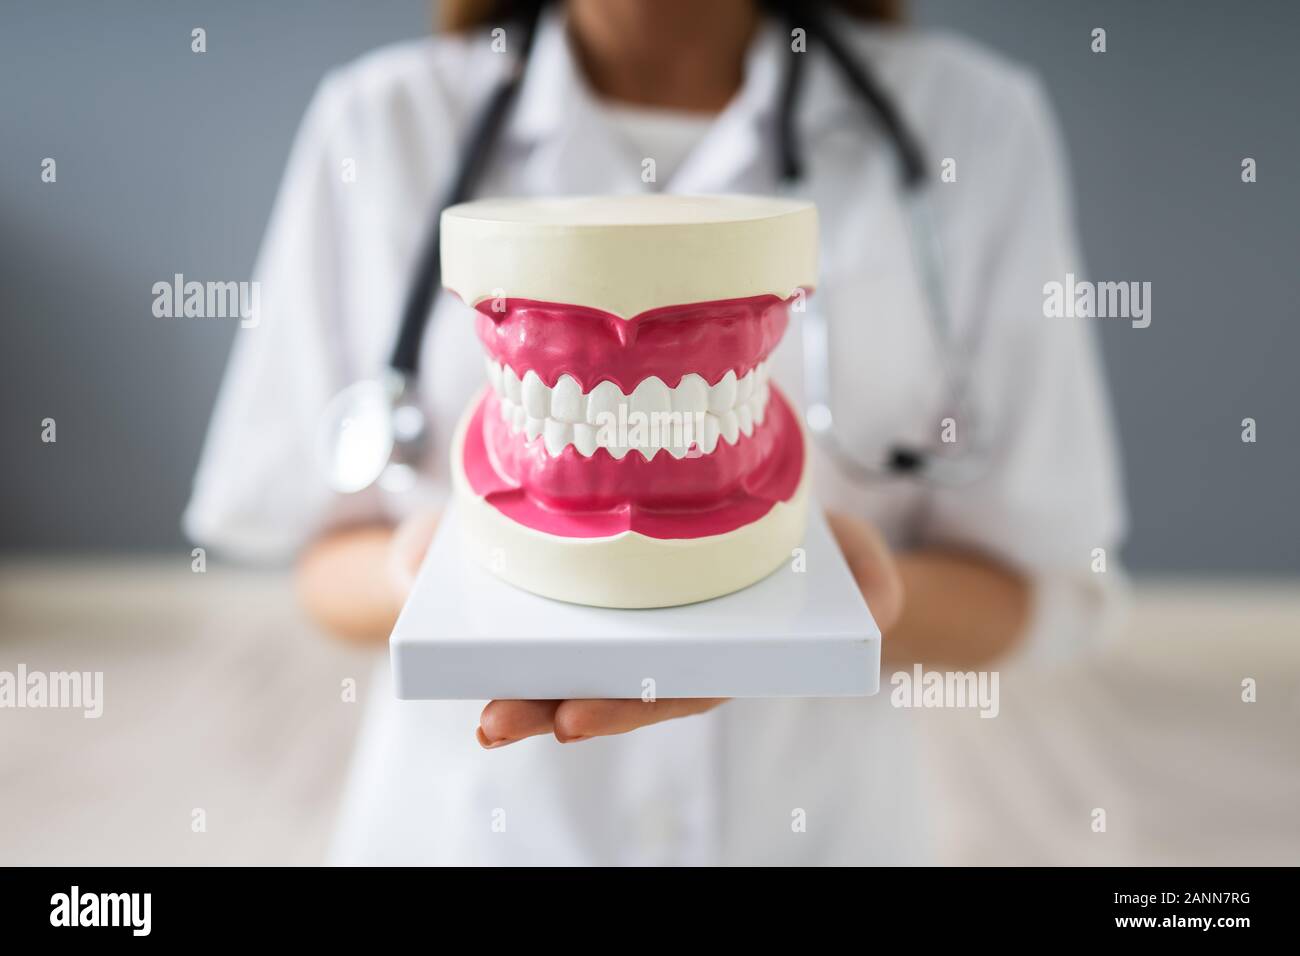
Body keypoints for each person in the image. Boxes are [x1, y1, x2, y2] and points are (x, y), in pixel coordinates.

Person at [184, 0, 1126, 865]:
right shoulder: (379, 120)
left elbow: (1042, 587)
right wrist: (432, 578)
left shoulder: (975, 123)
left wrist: (828, 600)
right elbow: (317, 553)